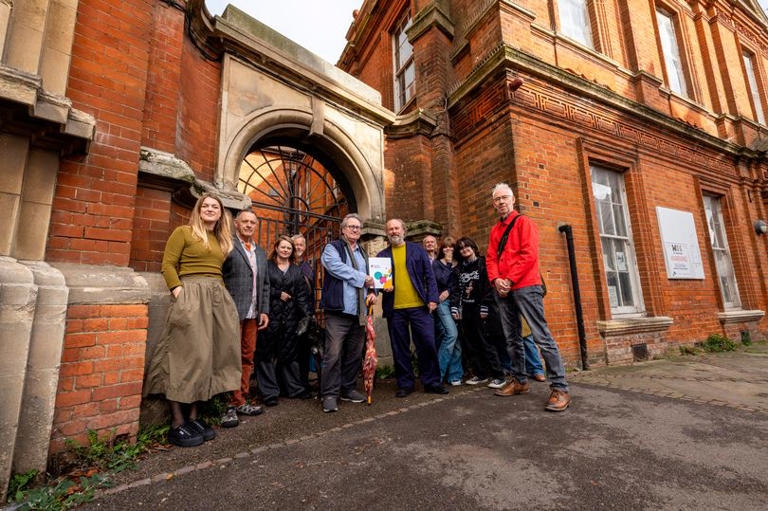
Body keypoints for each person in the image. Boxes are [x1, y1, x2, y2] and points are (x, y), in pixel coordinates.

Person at [144, 192, 241, 447]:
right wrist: (179, 293)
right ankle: (178, 422)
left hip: (216, 298)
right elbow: (168, 265)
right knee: (185, 356)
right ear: (198, 210)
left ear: (221, 213)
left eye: (215, 207)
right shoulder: (184, 232)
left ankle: (194, 417)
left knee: (208, 356)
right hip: (191, 296)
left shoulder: (220, 239)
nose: (210, 209)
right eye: (205, 206)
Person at [486, 183, 571, 411]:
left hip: (525, 286)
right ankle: (520, 381)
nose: (501, 202)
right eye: (497, 199)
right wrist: (495, 280)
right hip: (503, 289)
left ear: (512, 200)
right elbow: (490, 258)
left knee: (541, 336)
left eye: (504, 197)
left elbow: (529, 255)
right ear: (494, 204)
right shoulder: (495, 230)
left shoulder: (524, 223)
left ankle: (560, 388)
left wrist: (509, 280)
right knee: (511, 338)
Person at [377, 219, 447, 397]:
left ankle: (431, 382)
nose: (394, 231)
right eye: (390, 229)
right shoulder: (382, 255)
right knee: (400, 348)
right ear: (387, 233)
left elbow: (429, 276)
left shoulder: (417, 250)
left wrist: (432, 298)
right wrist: (380, 287)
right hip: (395, 308)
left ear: (403, 230)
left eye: (396, 228)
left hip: (419, 307)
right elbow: (378, 282)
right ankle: (405, 384)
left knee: (427, 344)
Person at [318, 213, 376, 412]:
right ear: (342, 229)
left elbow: (372, 279)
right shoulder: (332, 248)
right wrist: (363, 278)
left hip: (359, 312)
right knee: (332, 354)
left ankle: (348, 388)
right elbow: (336, 268)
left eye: (358, 227)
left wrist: (374, 293)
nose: (355, 230)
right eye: (351, 226)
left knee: (353, 354)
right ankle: (329, 394)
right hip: (338, 311)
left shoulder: (363, 253)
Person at [220, 209, 271, 428]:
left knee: (248, 356)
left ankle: (241, 398)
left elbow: (266, 284)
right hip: (232, 312)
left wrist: (264, 310)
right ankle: (229, 405)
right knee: (229, 357)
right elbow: (219, 278)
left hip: (253, 313)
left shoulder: (260, 252)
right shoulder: (227, 246)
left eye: (253, 222)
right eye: (245, 222)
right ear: (236, 223)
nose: (249, 225)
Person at [255, 235, 311, 406]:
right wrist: (277, 294)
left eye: (289, 248)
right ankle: (269, 393)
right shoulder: (267, 266)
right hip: (269, 316)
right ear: (277, 248)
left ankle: (294, 389)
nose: (286, 250)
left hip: (290, 318)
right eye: (283, 247)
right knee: (265, 354)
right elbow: (261, 288)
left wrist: (307, 315)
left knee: (288, 354)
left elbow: (301, 295)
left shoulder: (296, 270)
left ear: (292, 251)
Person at [450, 237, 506, 389]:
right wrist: (455, 307)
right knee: (471, 344)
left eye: (467, 246)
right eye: (461, 248)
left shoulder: (483, 264)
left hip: (481, 310)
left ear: (473, 247)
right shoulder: (458, 270)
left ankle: (499, 376)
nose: (464, 249)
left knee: (487, 343)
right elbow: (455, 290)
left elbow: (489, 287)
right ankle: (481, 374)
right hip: (465, 311)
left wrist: (485, 306)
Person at [432, 236, 463, 385]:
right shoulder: (437, 264)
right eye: (445, 247)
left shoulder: (459, 264)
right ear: (441, 249)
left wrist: (450, 291)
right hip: (442, 303)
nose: (448, 249)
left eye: (451, 246)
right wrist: (449, 264)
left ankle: (455, 375)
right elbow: (443, 281)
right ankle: (437, 375)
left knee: (456, 339)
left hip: (456, 302)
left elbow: (457, 285)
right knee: (451, 334)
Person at [291, 233, 316, 389]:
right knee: (289, 351)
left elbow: (311, 292)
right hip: (288, 314)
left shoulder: (307, 267)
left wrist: (311, 313)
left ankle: (303, 383)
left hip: (305, 315)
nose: (298, 247)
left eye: (301, 245)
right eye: (296, 244)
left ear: (305, 247)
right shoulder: (286, 264)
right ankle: (290, 384)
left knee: (304, 351)